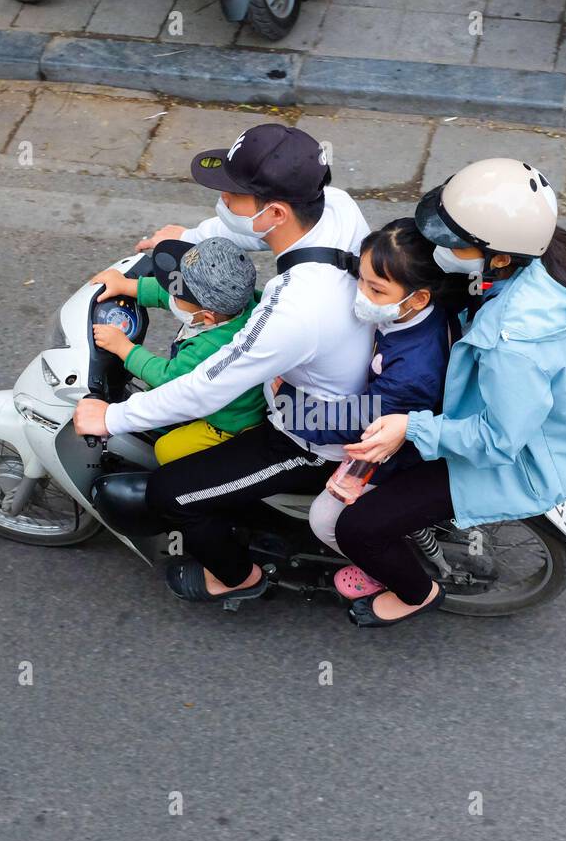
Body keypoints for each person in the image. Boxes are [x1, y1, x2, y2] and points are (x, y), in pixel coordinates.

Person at [72, 123, 374, 605]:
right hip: (333, 386)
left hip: (314, 433)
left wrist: (111, 417)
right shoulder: (333, 206)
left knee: (172, 495)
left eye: (232, 197)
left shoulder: (296, 309)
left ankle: (238, 578)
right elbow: (255, 236)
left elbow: (205, 387)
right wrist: (191, 238)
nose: (224, 204)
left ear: (274, 211)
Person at [335, 158, 566, 628]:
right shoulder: (548, 255)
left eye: (453, 243)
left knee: (358, 527)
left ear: (499, 257)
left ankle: (416, 594)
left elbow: (498, 440)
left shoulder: (514, 343)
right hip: (560, 422)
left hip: (518, 456)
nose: (437, 247)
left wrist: (413, 426)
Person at [275, 218, 458, 598]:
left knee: (325, 521)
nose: (361, 294)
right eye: (360, 279)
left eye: (375, 288)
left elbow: (358, 421)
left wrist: (287, 406)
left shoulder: (414, 371)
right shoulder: (420, 316)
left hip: (397, 449)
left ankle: (383, 569)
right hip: (402, 419)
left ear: (418, 297)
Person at [88, 237, 266, 465]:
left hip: (228, 421)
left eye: (177, 297)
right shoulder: (241, 300)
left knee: (167, 450)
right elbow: (178, 292)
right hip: (239, 392)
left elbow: (168, 379)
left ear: (208, 317)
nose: (172, 296)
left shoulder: (209, 348)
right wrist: (128, 286)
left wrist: (124, 348)